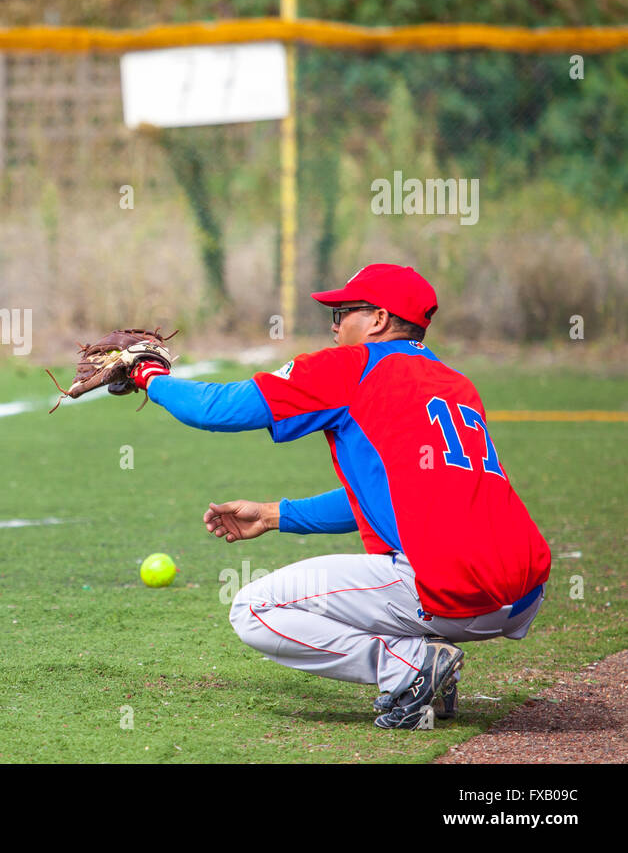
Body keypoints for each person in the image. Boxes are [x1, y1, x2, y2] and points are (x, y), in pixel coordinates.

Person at [123, 263, 551, 730]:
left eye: (344, 311)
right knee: (382, 574)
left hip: (451, 590)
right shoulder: (455, 383)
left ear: (380, 320)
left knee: (255, 609)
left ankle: (410, 668)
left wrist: (148, 375)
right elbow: (391, 493)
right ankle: (426, 668)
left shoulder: (355, 366)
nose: (333, 326)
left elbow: (217, 409)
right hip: (523, 592)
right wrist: (272, 515)